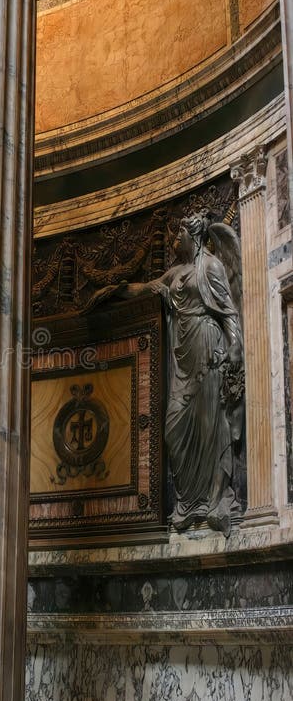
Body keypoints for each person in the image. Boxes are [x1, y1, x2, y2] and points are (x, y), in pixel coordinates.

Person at [120, 212, 244, 535]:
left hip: (206, 348)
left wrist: (235, 346)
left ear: (194, 236)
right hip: (182, 357)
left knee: (210, 426)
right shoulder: (176, 272)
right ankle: (188, 502)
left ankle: (214, 501)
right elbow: (147, 288)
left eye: (180, 235)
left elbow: (229, 312)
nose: (176, 240)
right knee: (173, 429)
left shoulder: (211, 267)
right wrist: (119, 290)